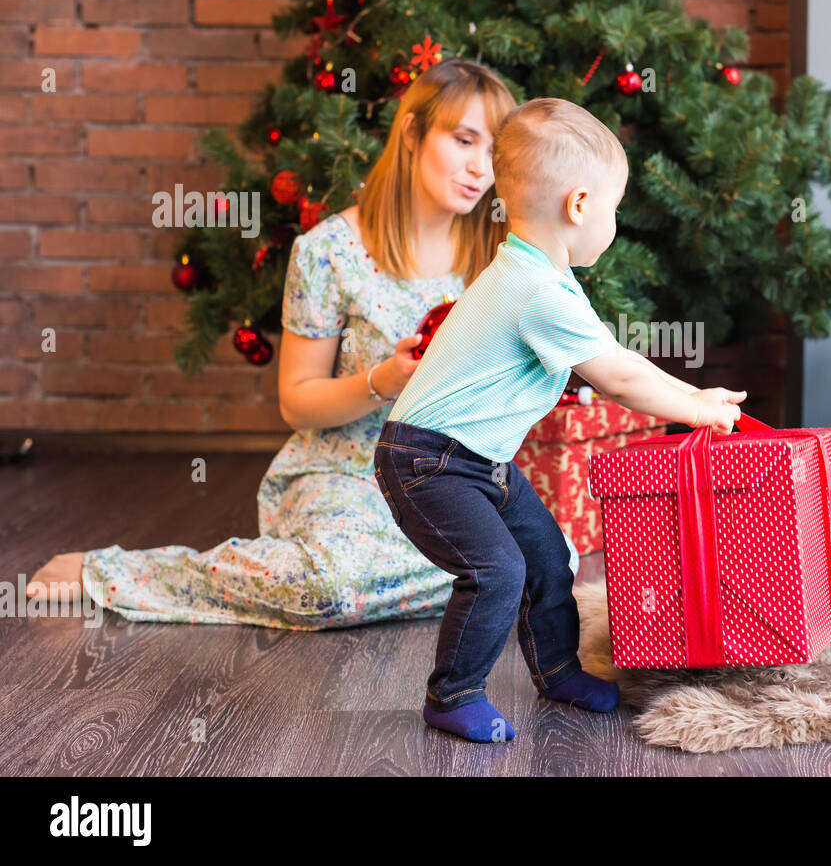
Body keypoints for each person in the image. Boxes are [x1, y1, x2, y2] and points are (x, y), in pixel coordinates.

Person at [24, 58, 559, 628]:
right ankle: (129, 575)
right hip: (348, 472)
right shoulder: (329, 251)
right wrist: (383, 380)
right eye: (463, 140)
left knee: (549, 559)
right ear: (411, 134)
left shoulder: (501, 257)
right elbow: (297, 400)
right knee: (328, 583)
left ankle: (429, 576)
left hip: (452, 476)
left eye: (492, 151)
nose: (480, 168)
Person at [374, 97, 747, 742]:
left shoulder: (539, 276)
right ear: (579, 206)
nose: (614, 222)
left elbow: (610, 362)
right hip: (427, 461)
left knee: (550, 555)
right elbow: (620, 378)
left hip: (474, 459)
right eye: (615, 208)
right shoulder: (537, 289)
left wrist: (689, 396)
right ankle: (453, 693)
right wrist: (695, 408)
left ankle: (557, 668)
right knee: (496, 571)